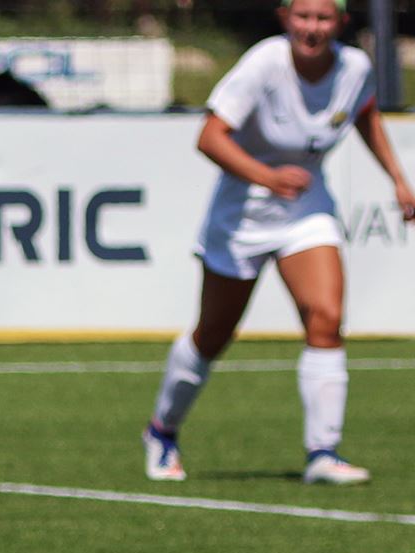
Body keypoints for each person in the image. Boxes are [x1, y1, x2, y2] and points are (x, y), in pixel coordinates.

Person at [144, 0, 415, 486]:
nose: (312, 28)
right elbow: (210, 137)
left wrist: (398, 179)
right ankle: (162, 431)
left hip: (306, 210)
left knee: (326, 318)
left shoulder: (355, 67)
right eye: (303, 16)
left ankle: (323, 453)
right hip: (241, 217)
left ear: (341, 23)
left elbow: (365, 115)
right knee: (212, 335)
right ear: (285, 17)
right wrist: (267, 177)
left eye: (323, 18)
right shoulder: (265, 62)